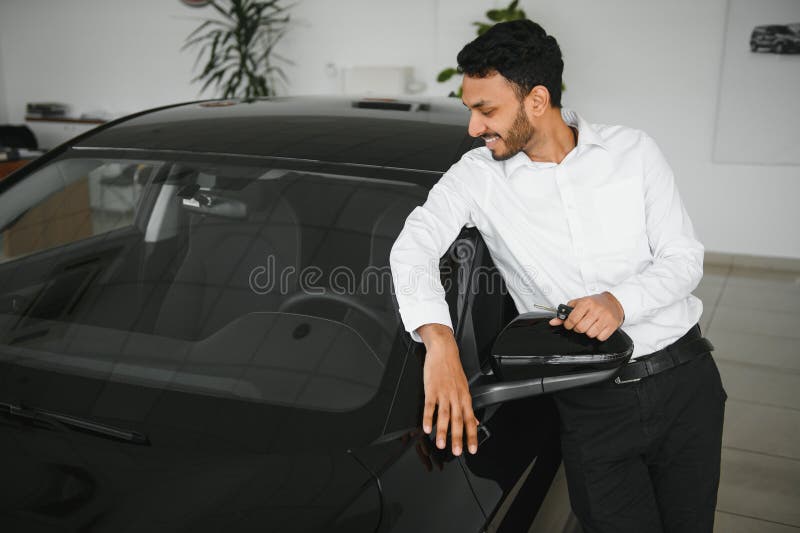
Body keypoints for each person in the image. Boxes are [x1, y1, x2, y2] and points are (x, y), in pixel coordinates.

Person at [389, 19, 727, 533]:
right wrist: (439, 345)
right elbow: (411, 248)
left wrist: (619, 302)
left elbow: (684, 259)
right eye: (471, 110)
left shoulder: (634, 152)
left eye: (486, 110)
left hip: (688, 387)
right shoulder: (476, 177)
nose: (474, 128)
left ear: (537, 100)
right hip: (592, 400)